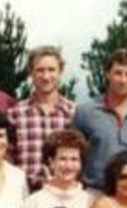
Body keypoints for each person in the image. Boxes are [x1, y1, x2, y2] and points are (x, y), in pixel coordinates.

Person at [73, 48, 127, 187]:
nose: (123, 80)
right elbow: (75, 155)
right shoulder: (85, 112)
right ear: (108, 74)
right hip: (95, 192)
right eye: (118, 73)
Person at [8, 46, 77, 190]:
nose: (46, 77)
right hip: (25, 193)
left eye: (51, 70)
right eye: (40, 70)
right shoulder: (16, 113)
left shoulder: (73, 113)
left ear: (60, 72)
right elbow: (8, 157)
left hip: (63, 191)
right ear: (31, 73)